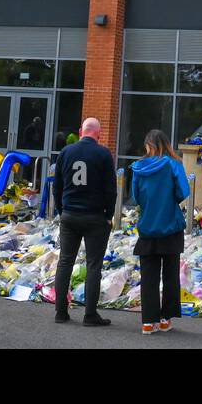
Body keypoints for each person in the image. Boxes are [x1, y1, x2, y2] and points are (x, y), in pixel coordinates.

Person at [53, 117, 117, 327]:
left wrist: (62, 210)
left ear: (81, 131)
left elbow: (57, 185)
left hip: (70, 215)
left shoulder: (66, 152)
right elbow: (111, 189)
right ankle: (90, 315)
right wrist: (108, 215)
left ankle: (61, 312)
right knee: (93, 265)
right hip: (95, 216)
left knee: (65, 261)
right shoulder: (103, 154)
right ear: (98, 133)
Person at [129, 129, 190, 335]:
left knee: (149, 276)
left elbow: (136, 197)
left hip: (147, 226)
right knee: (171, 274)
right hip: (171, 225)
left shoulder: (138, 168)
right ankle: (166, 319)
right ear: (166, 144)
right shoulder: (174, 164)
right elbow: (183, 192)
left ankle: (148, 322)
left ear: (148, 145)